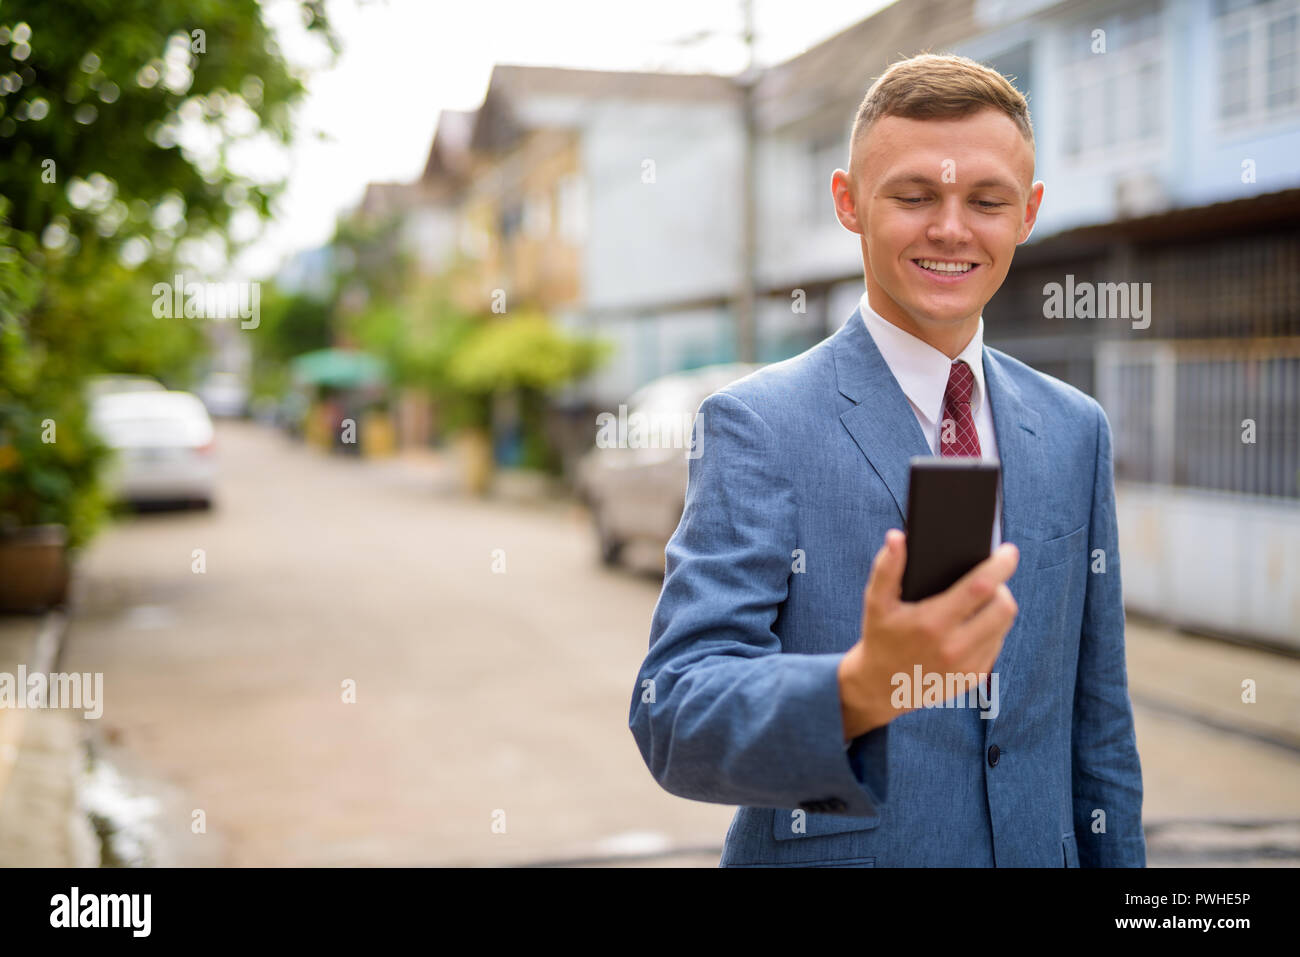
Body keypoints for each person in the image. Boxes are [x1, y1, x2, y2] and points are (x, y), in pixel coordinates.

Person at [627, 53, 1145, 867]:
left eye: (986, 200)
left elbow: (1101, 727)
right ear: (849, 202)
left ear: (1029, 212)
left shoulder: (1076, 429)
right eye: (913, 196)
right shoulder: (757, 424)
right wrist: (860, 686)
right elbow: (674, 712)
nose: (950, 228)